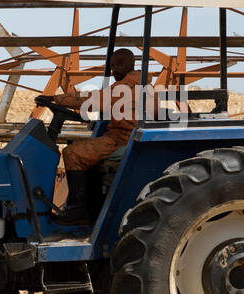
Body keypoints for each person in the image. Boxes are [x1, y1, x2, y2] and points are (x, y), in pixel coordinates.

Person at [34, 48, 154, 224]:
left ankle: (78, 212)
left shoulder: (127, 87)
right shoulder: (139, 84)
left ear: (131, 64)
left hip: (123, 140)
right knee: (82, 150)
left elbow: (90, 100)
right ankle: (87, 207)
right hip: (121, 136)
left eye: (119, 65)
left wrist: (56, 99)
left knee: (72, 153)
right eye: (112, 65)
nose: (114, 70)